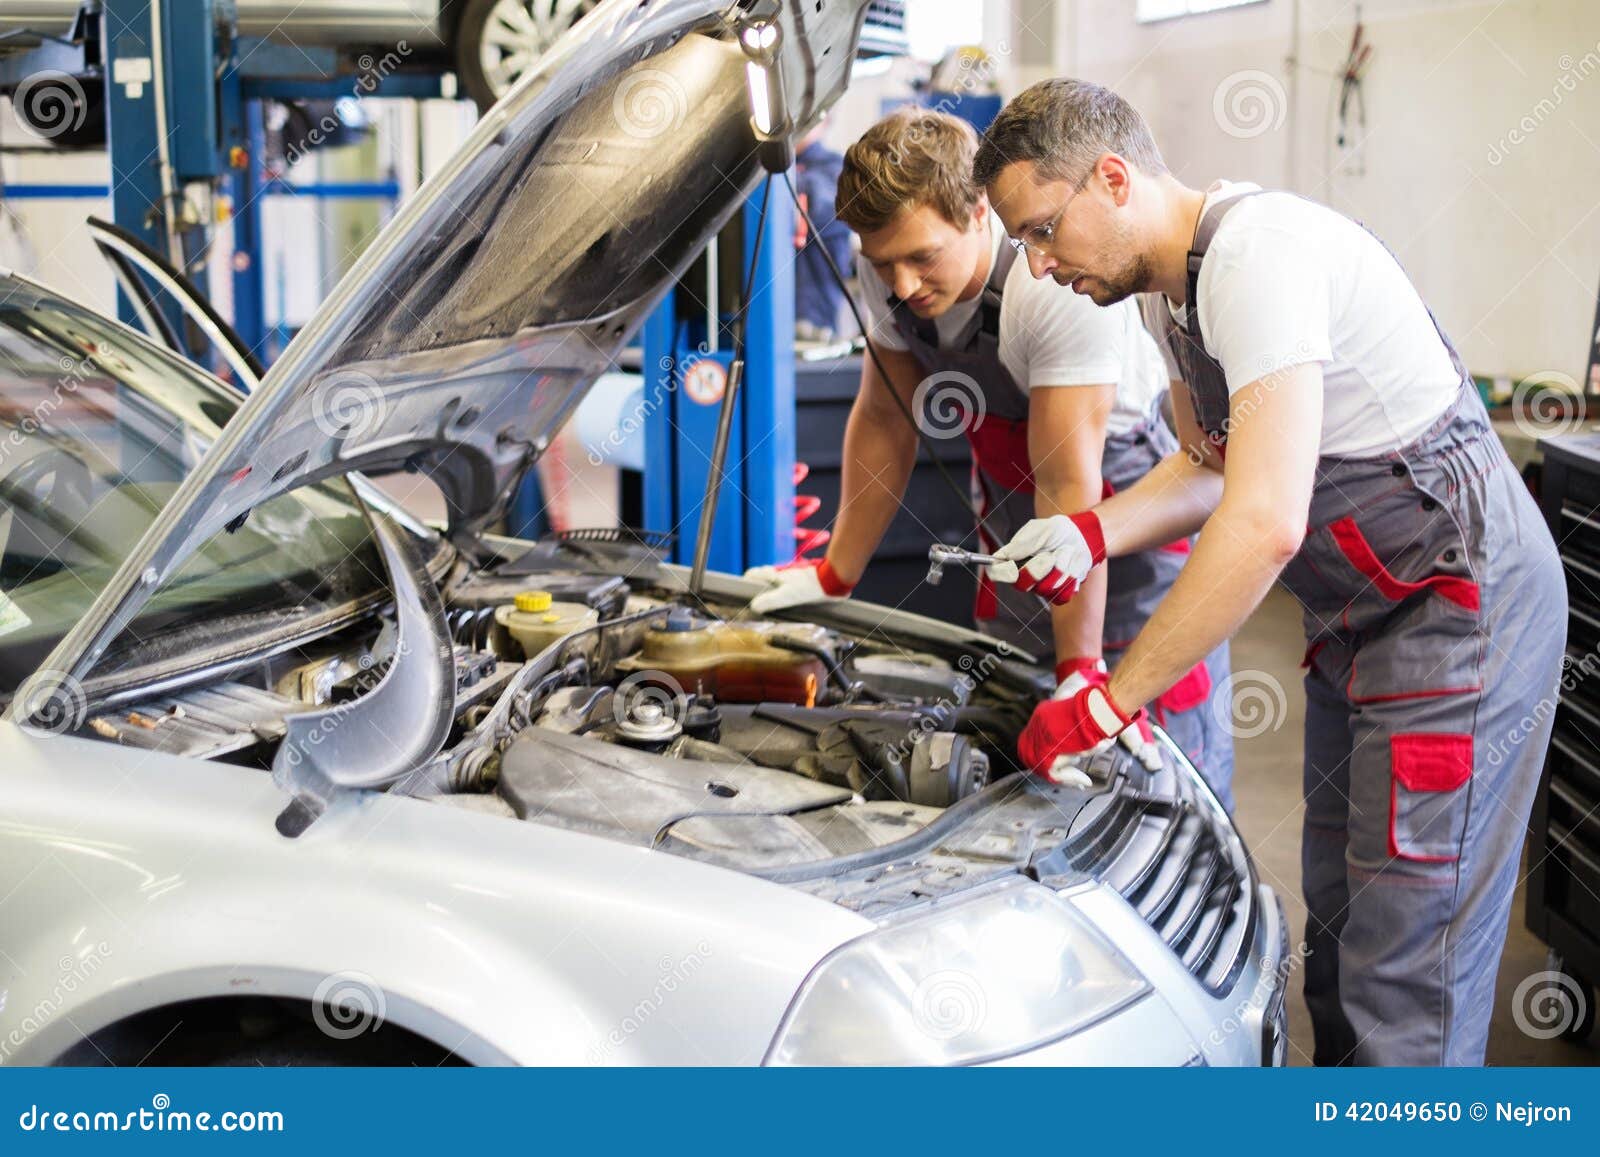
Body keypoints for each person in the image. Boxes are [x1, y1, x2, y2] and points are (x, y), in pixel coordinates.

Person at [972, 78, 1566, 1066]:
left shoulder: (1260, 255)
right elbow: (1210, 461)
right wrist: (1088, 529)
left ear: (1111, 179)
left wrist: (1109, 699)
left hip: (1461, 614)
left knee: (1405, 961)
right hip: (1366, 622)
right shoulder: (1174, 294)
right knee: (1337, 920)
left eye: (1041, 231)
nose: (1035, 264)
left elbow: (1261, 522)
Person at [744, 107, 1234, 805]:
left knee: (1154, 781)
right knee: (1014, 758)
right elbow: (885, 418)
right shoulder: (883, 263)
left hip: (1120, 535)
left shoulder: (1050, 291)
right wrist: (836, 571)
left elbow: (1069, 484)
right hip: (1013, 528)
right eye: (885, 263)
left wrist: (1082, 667)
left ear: (979, 211)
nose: (904, 284)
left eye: (922, 256)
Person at [792, 123, 854, 343]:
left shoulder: (835, 170)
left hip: (814, 319)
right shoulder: (787, 167)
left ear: (824, 121)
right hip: (764, 314)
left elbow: (813, 199)